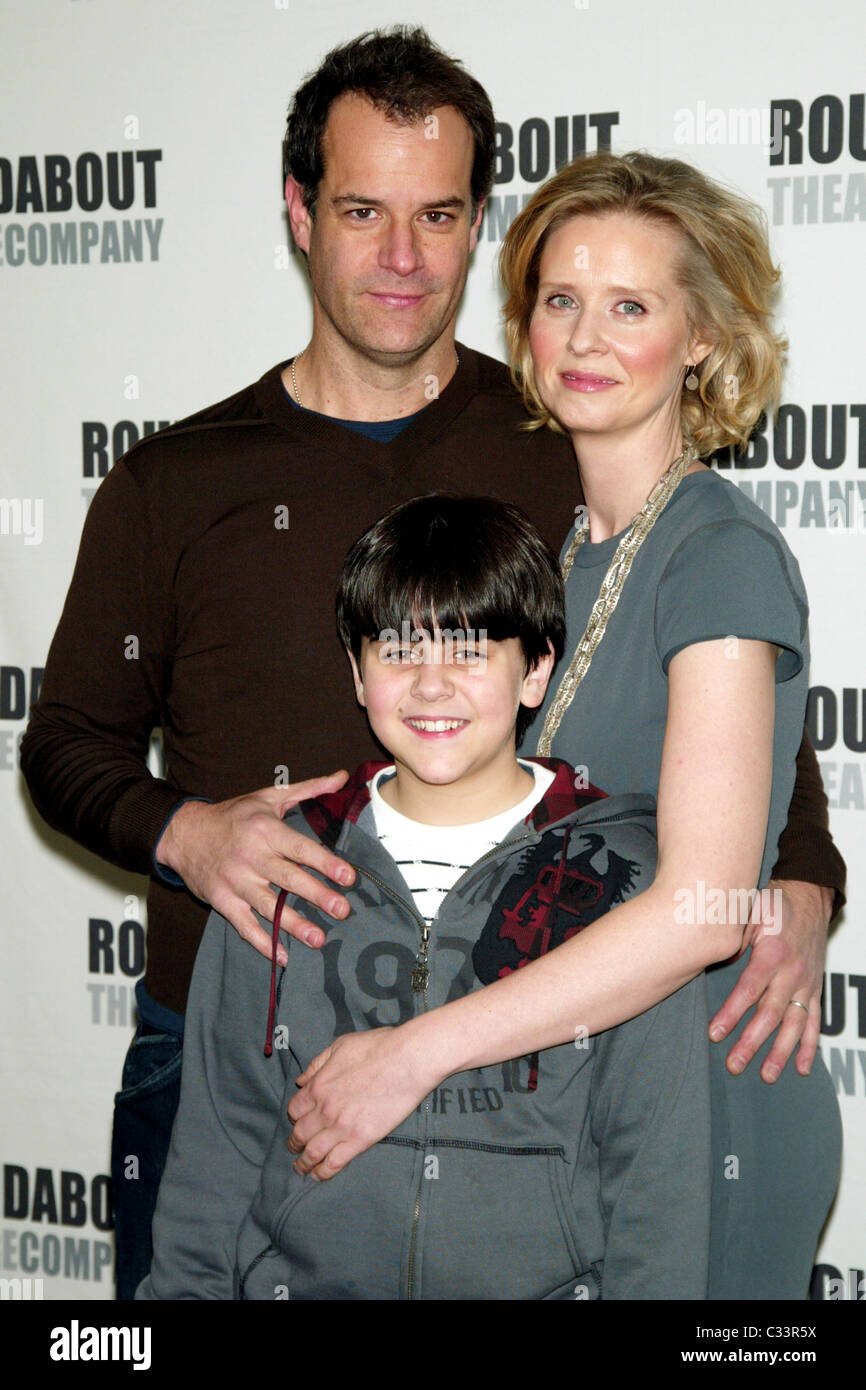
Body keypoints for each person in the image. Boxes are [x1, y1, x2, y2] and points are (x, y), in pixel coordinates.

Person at [19, 28, 842, 1299]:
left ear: (475, 227)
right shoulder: (172, 479)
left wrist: (792, 886)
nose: (402, 257)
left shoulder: (553, 442)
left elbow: (741, 736)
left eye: (438, 213)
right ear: (299, 214)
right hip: (229, 1039)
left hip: (521, 1075)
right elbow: (62, 736)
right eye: (362, 210)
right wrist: (187, 833)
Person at [275, 152, 843, 1300]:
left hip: (704, 1105)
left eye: (630, 306)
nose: (585, 338)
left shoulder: (716, 552)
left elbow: (696, 906)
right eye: (559, 300)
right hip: (581, 1103)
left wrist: (412, 1053)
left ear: (699, 338)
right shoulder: (563, 555)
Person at [137, 494, 712, 1301]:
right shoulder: (281, 864)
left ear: (537, 668)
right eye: (399, 652)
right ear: (356, 671)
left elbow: (658, 1179)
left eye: (471, 651)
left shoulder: (627, 879)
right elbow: (216, 1153)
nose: (431, 687)